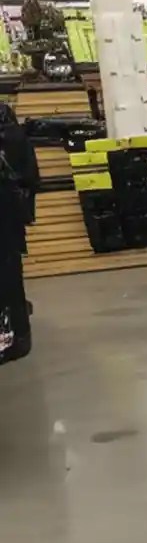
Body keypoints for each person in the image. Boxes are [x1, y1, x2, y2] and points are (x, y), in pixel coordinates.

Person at [0, 102, 36, 365]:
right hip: (11, 222)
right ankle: (17, 334)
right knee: (11, 278)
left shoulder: (8, 141)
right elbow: (33, 179)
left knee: (7, 282)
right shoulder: (16, 137)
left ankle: (12, 338)